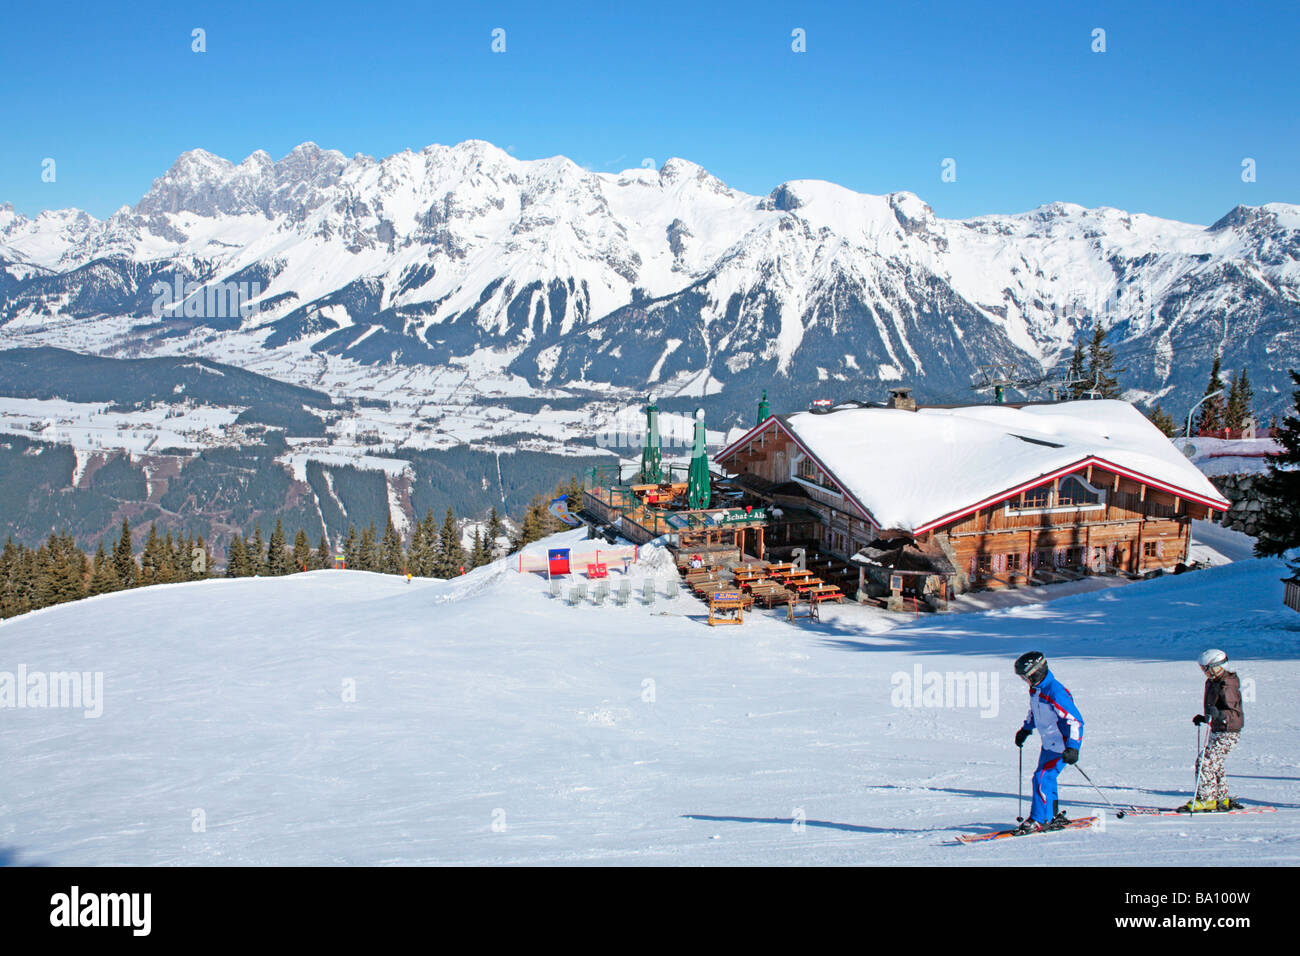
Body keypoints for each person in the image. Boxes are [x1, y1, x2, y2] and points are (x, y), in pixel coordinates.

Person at [1013, 651, 1084, 834]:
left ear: (1036, 672)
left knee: (1041, 778)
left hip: (1061, 747)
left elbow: (1075, 720)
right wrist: (1026, 729)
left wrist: (1073, 748)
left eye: (1025, 677)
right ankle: (1051, 816)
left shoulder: (1055, 691)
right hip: (1049, 744)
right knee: (1047, 778)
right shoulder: (1037, 690)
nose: (1024, 681)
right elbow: (1035, 712)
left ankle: (1038, 819)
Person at [1182, 649, 1244, 812]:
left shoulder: (1227, 684)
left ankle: (1207, 799)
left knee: (1205, 761)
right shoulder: (1213, 682)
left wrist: (1219, 715)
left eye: (1207, 668)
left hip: (1229, 731)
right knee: (1215, 763)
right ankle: (1220, 798)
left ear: (1217, 666)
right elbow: (1215, 709)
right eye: (1203, 669)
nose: (1205, 672)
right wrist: (1206, 718)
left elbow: (1234, 713)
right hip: (1218, 728)